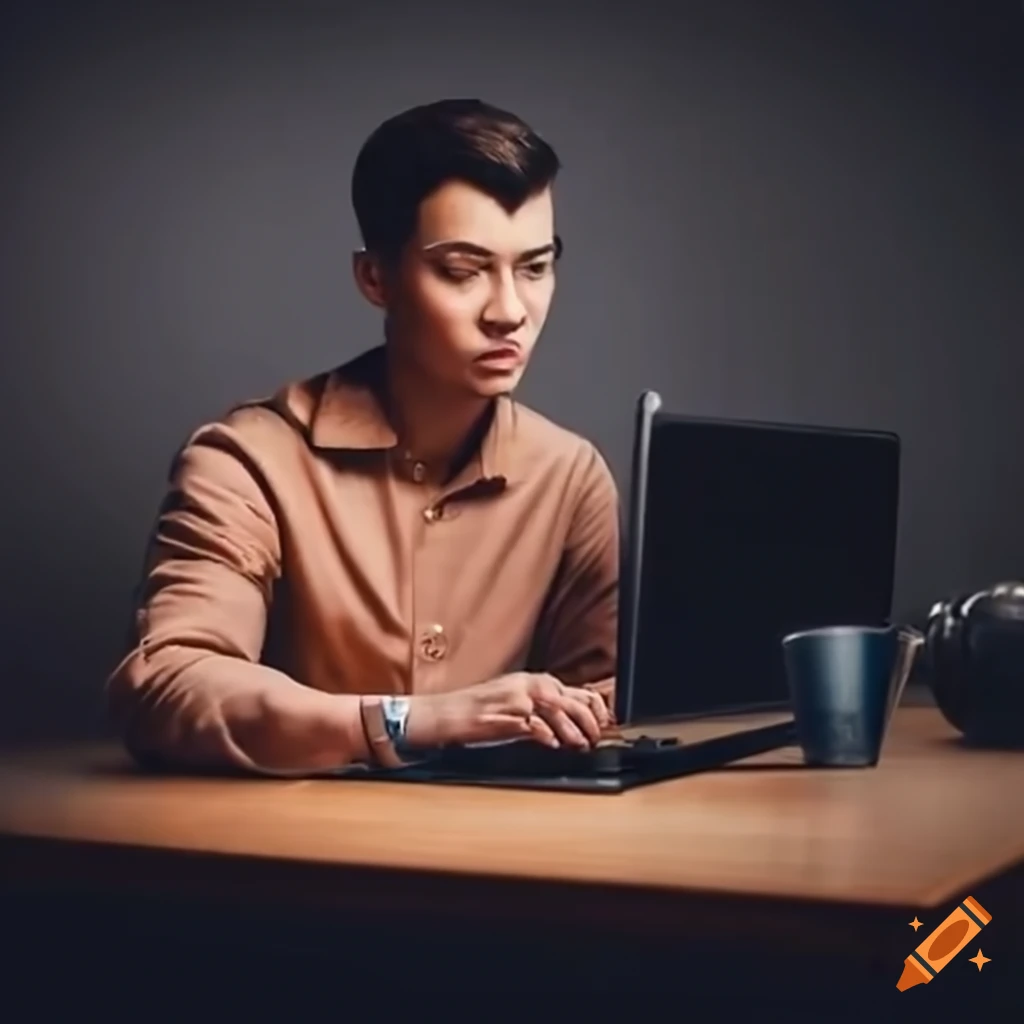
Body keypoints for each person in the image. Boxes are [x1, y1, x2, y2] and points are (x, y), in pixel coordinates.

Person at [106, 98, 619, 776]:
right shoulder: (248, 459)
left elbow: (608, 717)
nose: (510, 312)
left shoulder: (572, 475)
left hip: (503, 855)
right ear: (376, 277)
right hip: (295, 859)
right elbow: (168, 685)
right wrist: (409, 721)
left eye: (534, 266)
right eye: (463, 270)